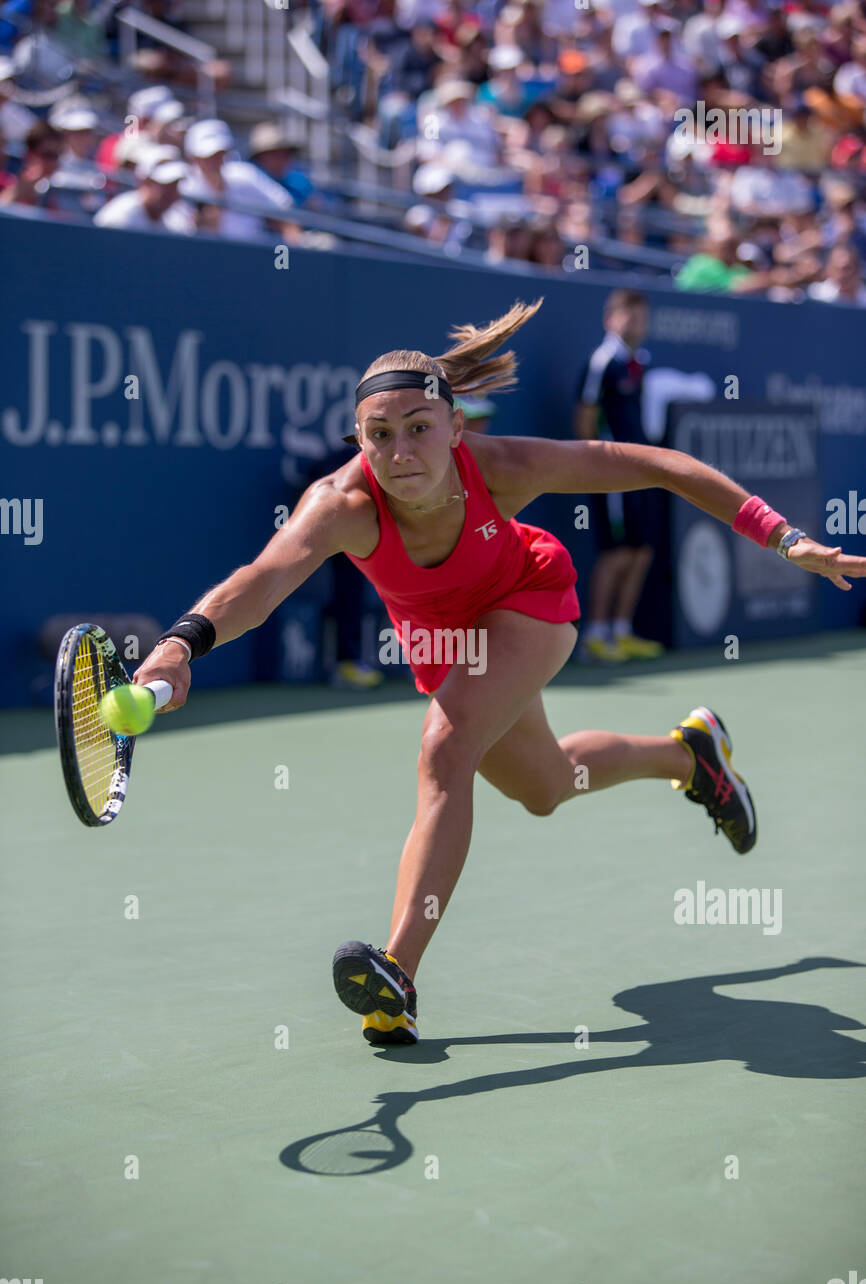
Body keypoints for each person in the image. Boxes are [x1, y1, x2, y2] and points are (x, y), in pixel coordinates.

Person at [130, 301, 864, 1047]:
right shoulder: (340, 505)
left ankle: (396, 977)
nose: (402, 450)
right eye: (380, 435)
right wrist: (182, 644)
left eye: (420, 428)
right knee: (546, 786)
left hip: (528, 602)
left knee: (446, 755)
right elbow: (260, 581)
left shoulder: (502, 466)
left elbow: (657, 465)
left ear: (456, 428)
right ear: (358, 439)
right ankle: (691, 757)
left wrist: (784, 536)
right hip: (445, 644)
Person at [574, 288, 664, 662]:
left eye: (641, 316)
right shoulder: (602, 361)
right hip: (610, 475)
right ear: (610, 319)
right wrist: (599, 468)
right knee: (615, 552)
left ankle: (621, 631)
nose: (637, 323)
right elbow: (585, 417)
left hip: (638, 473)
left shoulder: (639, 362)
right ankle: (595, 634)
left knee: (640, 551)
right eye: (629, 315)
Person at [93, 144, 193, 232]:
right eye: (164, 184)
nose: (170, 191)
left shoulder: (176, 223)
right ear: (144, 181)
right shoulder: (118, 218)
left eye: (174, 184)